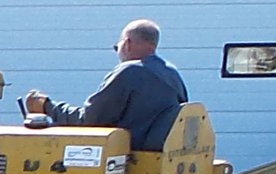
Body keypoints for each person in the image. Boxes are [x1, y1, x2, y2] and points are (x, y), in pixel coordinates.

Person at [23, 20, 189, 151]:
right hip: (158, 159)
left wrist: (47, 106)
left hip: (126, 162)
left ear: (127, 43)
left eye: (118, 46)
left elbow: (89, 121)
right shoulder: (172, 74)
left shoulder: (129, 71)